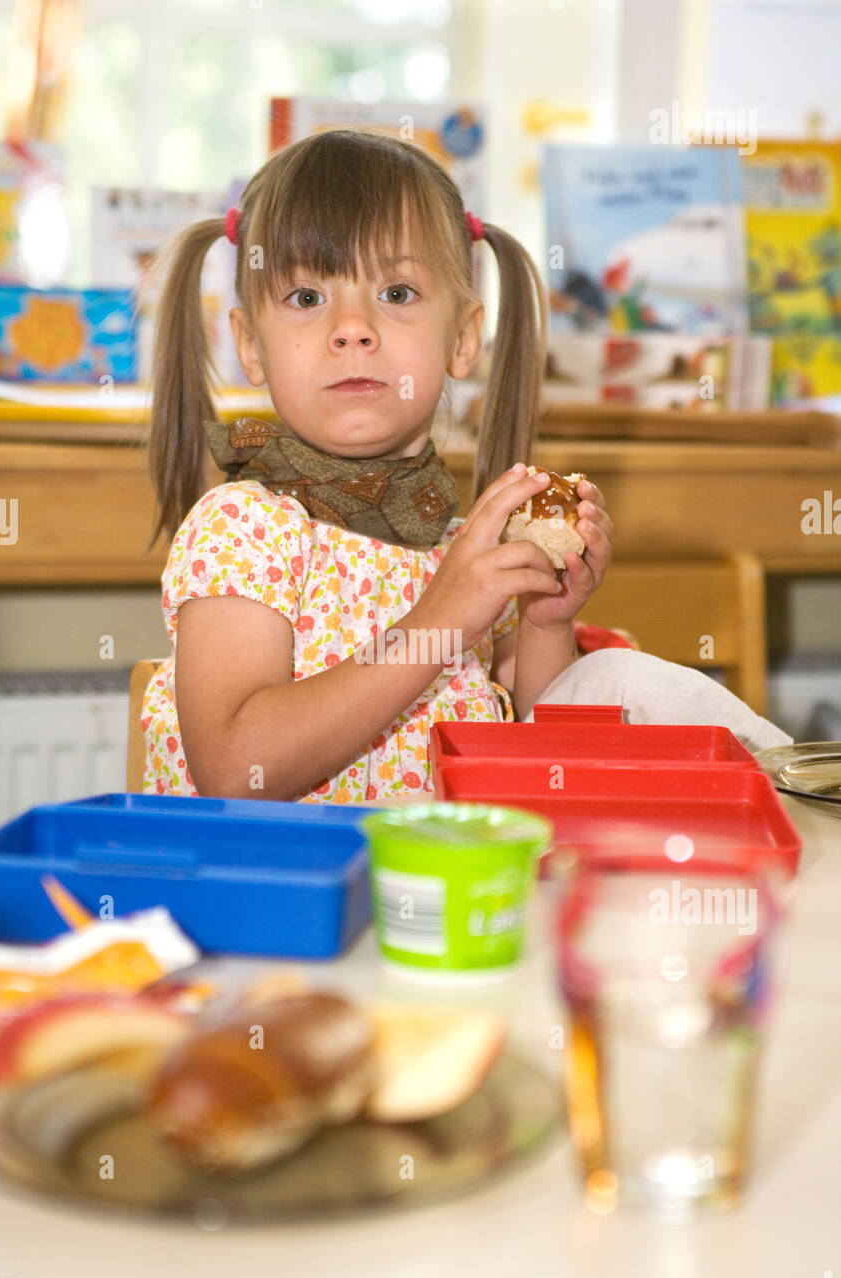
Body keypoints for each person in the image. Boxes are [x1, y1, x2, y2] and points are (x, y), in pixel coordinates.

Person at [142, 129, 788, 803]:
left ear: (464, 338)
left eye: (396, 293)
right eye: (307, 298)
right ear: (250, 346)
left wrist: (544, 621)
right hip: (286, 899)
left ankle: (793, 793)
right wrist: (441, 619)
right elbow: (236, 768)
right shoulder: (245, 527)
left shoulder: (462, 546)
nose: (352, 328)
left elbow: (536, 746)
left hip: (453, 890)